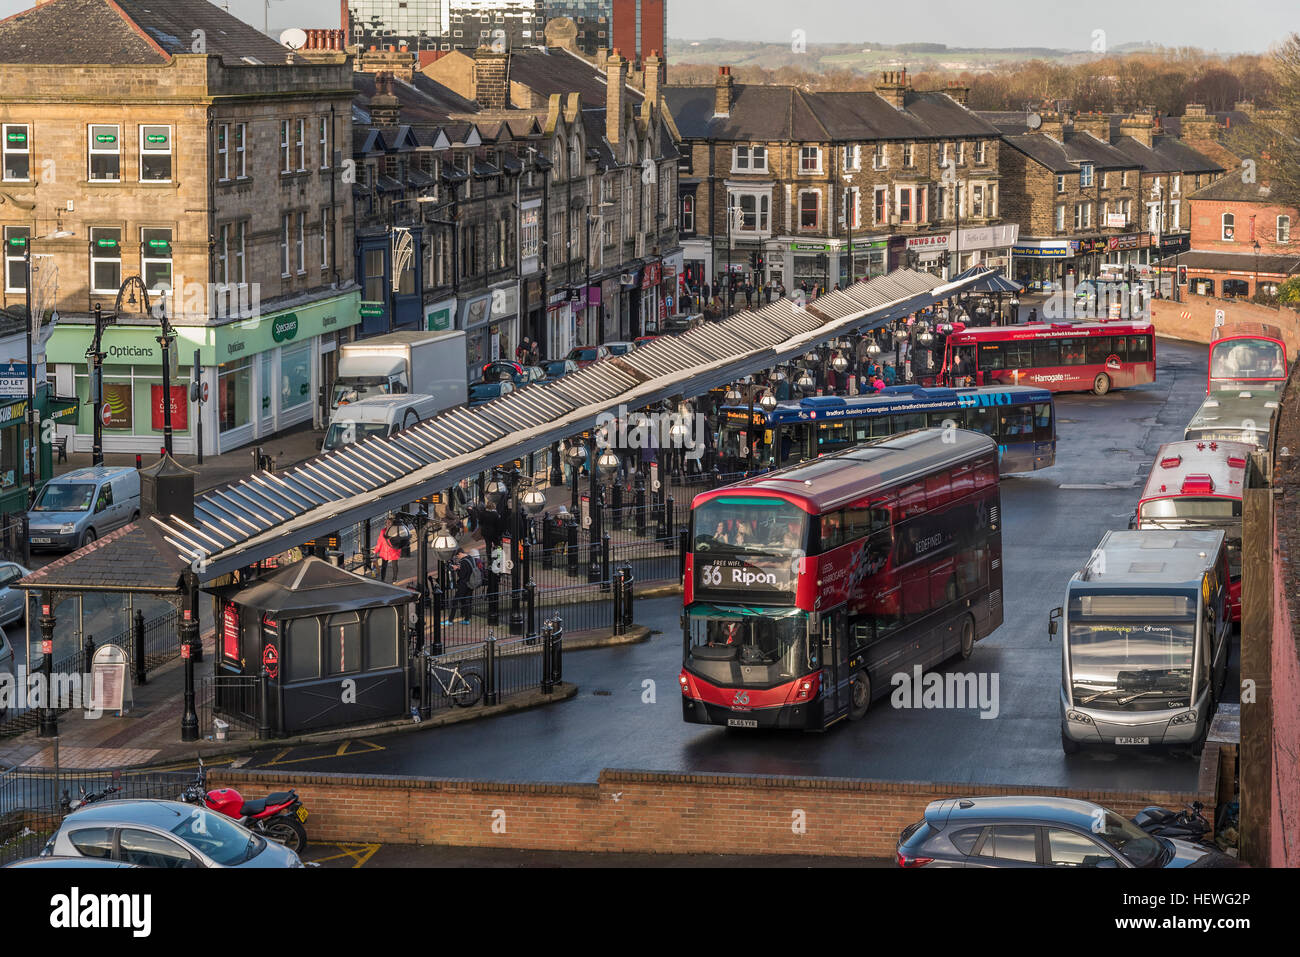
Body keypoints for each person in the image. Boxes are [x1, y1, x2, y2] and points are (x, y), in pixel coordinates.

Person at [446, 548, 475, 625]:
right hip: (471, 583)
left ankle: (450, 620)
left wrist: (457, 569)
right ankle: (466, 619)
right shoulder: (470, 558)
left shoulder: (463, 562)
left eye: (457, 556)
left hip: (463, 584)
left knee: (455, 601)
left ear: (460, 553)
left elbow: (462, 575)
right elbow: (468, 570)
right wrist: (459, 567)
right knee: (466, 601)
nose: (458, 558)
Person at [373, 516, 403, 583]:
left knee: (394, 565)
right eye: (387, 522)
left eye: (389, 522)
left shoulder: (396, 531)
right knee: (384, 566)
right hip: (385, 551)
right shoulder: (383, 531)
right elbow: (380, 541)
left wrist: (398, 548)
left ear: (392, 524)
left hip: (393, 550)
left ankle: (395, 579)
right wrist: (375, 551)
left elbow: (399, 541)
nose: (387, 524)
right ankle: (382, 579)